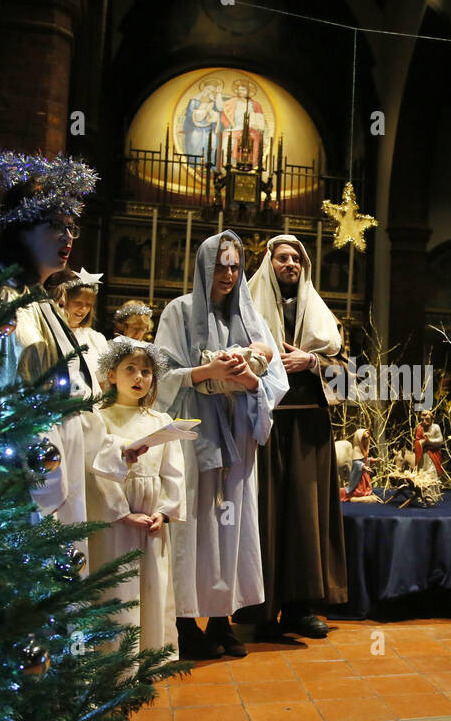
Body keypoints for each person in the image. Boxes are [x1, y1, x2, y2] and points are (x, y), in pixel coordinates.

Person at [0, 152, 137, 569]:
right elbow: (8, 393)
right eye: (54, 224)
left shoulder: (44, 300)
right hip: (28, 470)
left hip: (62, 457)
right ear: (22, 229)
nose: (67, 235)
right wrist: (44, 469)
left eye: (71, 225)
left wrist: (112, 451)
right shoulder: (4, 295)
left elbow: (74, 395)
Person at [152, 230, 288, 660]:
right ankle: (186, 622)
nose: (228, 273)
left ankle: (222, 619)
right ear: (203, 266)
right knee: (193, 528)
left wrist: (248, 377)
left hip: (239, 437)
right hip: (195, 435)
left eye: (234, 266)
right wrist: (204, 371)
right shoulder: (178, 312)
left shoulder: (252, 319)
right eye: (219, 265)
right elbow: (160, 378)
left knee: (231, 529)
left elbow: (275, 379)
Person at [237, 233, 348, 640]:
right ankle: (259, 609)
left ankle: (301, 608)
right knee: (264, 513)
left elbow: (347, 374)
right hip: (262, 424)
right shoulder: (246, 309)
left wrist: (312, 360)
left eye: (297, 259)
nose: (291, 265)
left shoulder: (320, 313)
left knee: (305, 513)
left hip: (308, 427)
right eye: (283, 258)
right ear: (269, 262)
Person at [86, 337, 187, 660]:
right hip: (114, 518)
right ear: (111, 375)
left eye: (146, 371)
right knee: (118, 584)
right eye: (130, 369)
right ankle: (115, 656)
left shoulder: (161, 422)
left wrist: (164, 512)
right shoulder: (97, 418)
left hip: (151, 519)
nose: (139, 377)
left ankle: (150, 653)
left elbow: (173, 472)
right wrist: (120, 512)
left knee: (152, 584)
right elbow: (94, 472)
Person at [59, 268, 111, 365]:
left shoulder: (95, 339)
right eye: (78, 302)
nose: (83, 309)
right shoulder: (53, 333)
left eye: (88, 305)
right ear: (64, 300)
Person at [414, 409, 445, 476]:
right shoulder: (419, 428)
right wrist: (423, 442)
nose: (424, 421)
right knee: (422, 472)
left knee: (432, 472)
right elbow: (417, 442)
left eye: (427, 419)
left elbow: (440, 440)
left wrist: (430, 441)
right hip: (422, 455)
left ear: (431, 419)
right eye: (422, 420)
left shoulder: (436, 427)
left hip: (433, 454)